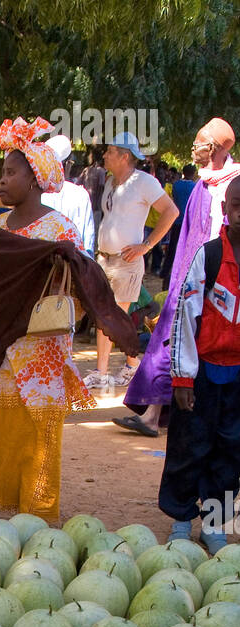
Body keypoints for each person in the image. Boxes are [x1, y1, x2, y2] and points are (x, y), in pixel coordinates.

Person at [0, 117, 95, 521]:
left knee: (34, 434)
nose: (3, 179)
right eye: (3, 171)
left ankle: (36, 513)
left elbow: (77, 290)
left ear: (35, 179)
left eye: (12, 172)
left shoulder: (59, 229)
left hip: (37, 356)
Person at [115, 119, 236, 436]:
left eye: (199, 141)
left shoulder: (229, 187)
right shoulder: (205, 184)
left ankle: (164, 416)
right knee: (169, 340)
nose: (194, 147)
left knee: (188, 344)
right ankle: (152, 415)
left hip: (214, 281)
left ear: (213, 147)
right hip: (189, 276)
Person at [158, 176, 240, 554]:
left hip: (237, 376)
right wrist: (182, 378)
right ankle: (179, 518)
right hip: (203, 371)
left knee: (231, 449)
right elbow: (185, 318)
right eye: (237, 206)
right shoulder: (207, 256)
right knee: (190, 445)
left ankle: (214, 521)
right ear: (226, 210)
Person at [84, 131, 178, 394]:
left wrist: (146, 246)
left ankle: (107, 370)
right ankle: (127, 364)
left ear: (124, 156)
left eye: (110, 151)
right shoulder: (112, 181)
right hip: (106, 259)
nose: (104, 154)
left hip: (126, 261)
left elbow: (171, 211)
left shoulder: (144, 182)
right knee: (107, 316)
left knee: (112, 316)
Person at [42, 133, 95, 254]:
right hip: (71, 266)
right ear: (67, 165)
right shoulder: (80, 195)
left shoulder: (34, 193)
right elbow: (87, 243)